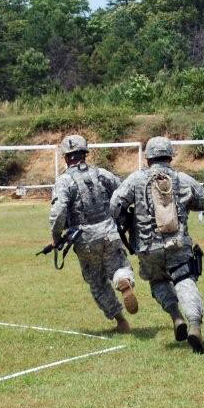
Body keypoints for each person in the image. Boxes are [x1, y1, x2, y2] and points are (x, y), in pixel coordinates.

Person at [109, 136, 204, 353]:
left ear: (148, 159)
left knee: (158, 282)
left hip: (148, 247)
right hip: (178, 244)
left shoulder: (136, 179)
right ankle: (194, 325)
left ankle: (175, 316)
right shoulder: (182, 179)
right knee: (184, 281)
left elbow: (115, 205)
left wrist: (127, 218)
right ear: (170, 157)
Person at [50, 135, 138, 333]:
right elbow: (123, 191)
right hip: (109, 232)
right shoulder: (101, 174)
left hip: (85, 240)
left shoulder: (63, 181)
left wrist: (56, 237)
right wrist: (121, 217)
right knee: (119, 267)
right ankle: (123, 281)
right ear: (85, 154)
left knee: (97, 283)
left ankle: (121, 321)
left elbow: (58, 211)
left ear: (66, 157)